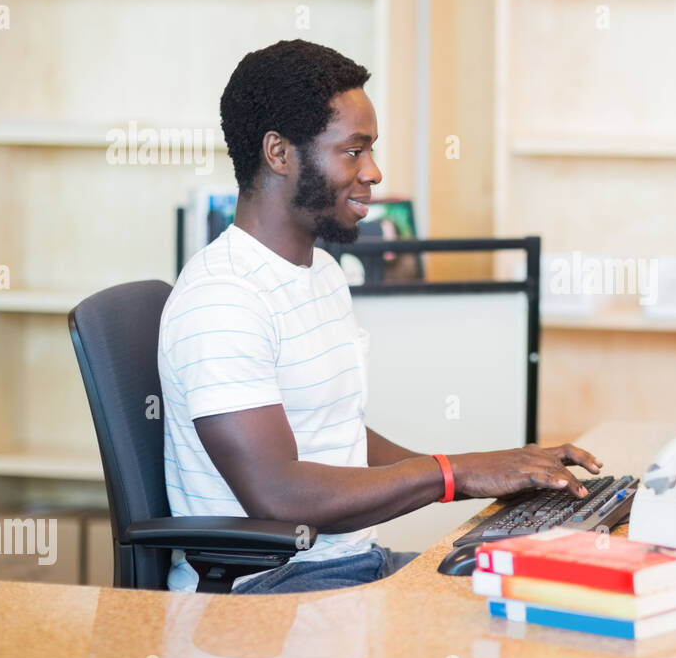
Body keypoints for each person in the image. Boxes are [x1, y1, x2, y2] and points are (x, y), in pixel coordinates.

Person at [158, 39, 600, 593]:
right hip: (268, 595)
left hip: (347, 563)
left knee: (537, 591)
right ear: (279, 153)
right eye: (353, 150)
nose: (374, 171)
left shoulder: (319, 274)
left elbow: (335, 431)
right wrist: (453, 473)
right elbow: (279, 497)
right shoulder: (222, 298)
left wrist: (490, 471)